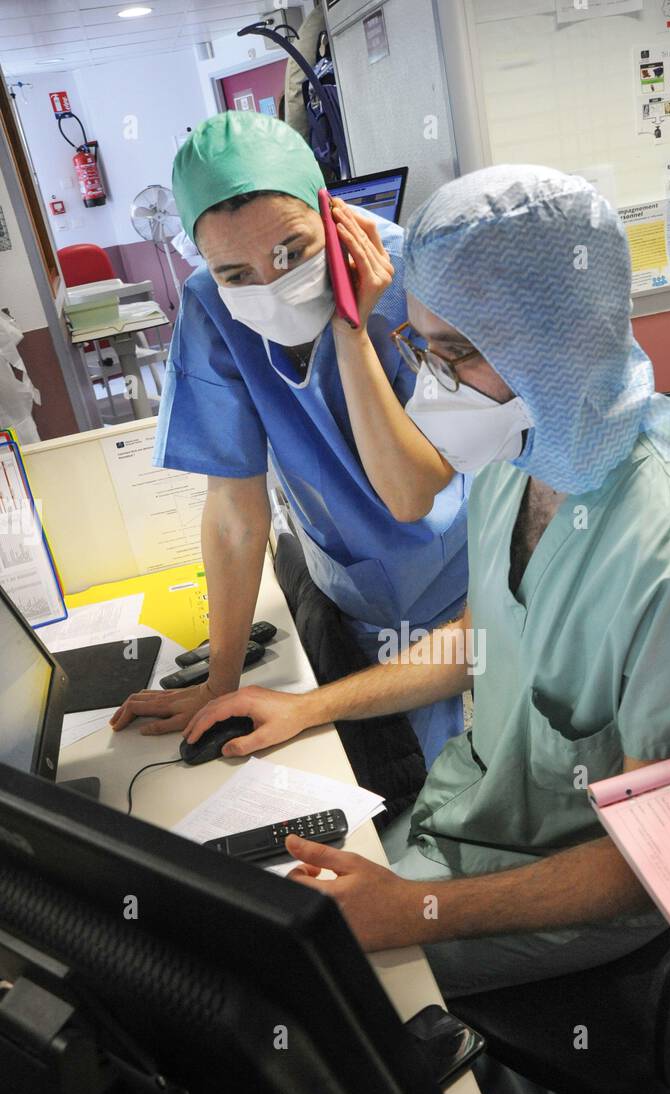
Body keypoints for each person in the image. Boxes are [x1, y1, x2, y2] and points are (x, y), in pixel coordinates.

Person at [181, 165, 670, 1013]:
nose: (432, 384)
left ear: (559, 338)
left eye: (458, 354)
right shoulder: (519, 454)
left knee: (297, 990)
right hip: (478, 819)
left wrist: (417, 911)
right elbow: (482, 638)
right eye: (422, 347)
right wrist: (311, 708)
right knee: (261, 919)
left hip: (590, 889)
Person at [111, 111, 467, 766]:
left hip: (464, 598)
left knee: (469, 781)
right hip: (354, 598)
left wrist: (350, 324)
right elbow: (233, 511)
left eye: (292, 252)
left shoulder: (416, 279)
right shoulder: (213, 307)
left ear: (330, 213)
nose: (269, 286)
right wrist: (221, 683)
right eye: (236, 271)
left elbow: (411, 494)